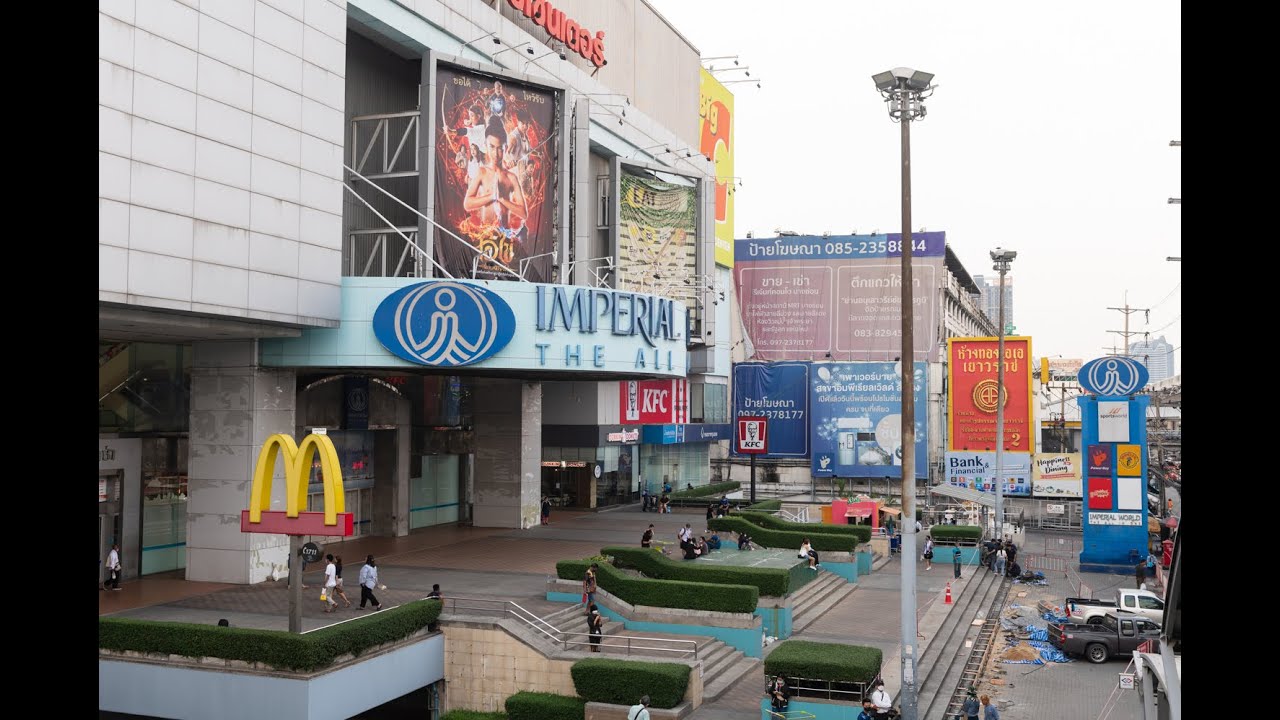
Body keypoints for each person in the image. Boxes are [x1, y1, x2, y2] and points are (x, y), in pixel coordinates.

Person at [462, 118, 529, 239]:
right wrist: (491, 196)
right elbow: (467, 204)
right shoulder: (482, 172)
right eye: (492, 147)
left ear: (505, 147)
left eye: (500, 148)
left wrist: (502, 200)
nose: (495, 153)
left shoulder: (511, 177)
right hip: (485, 235)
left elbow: (523, 213)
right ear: (485, 146)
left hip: (504, 236)